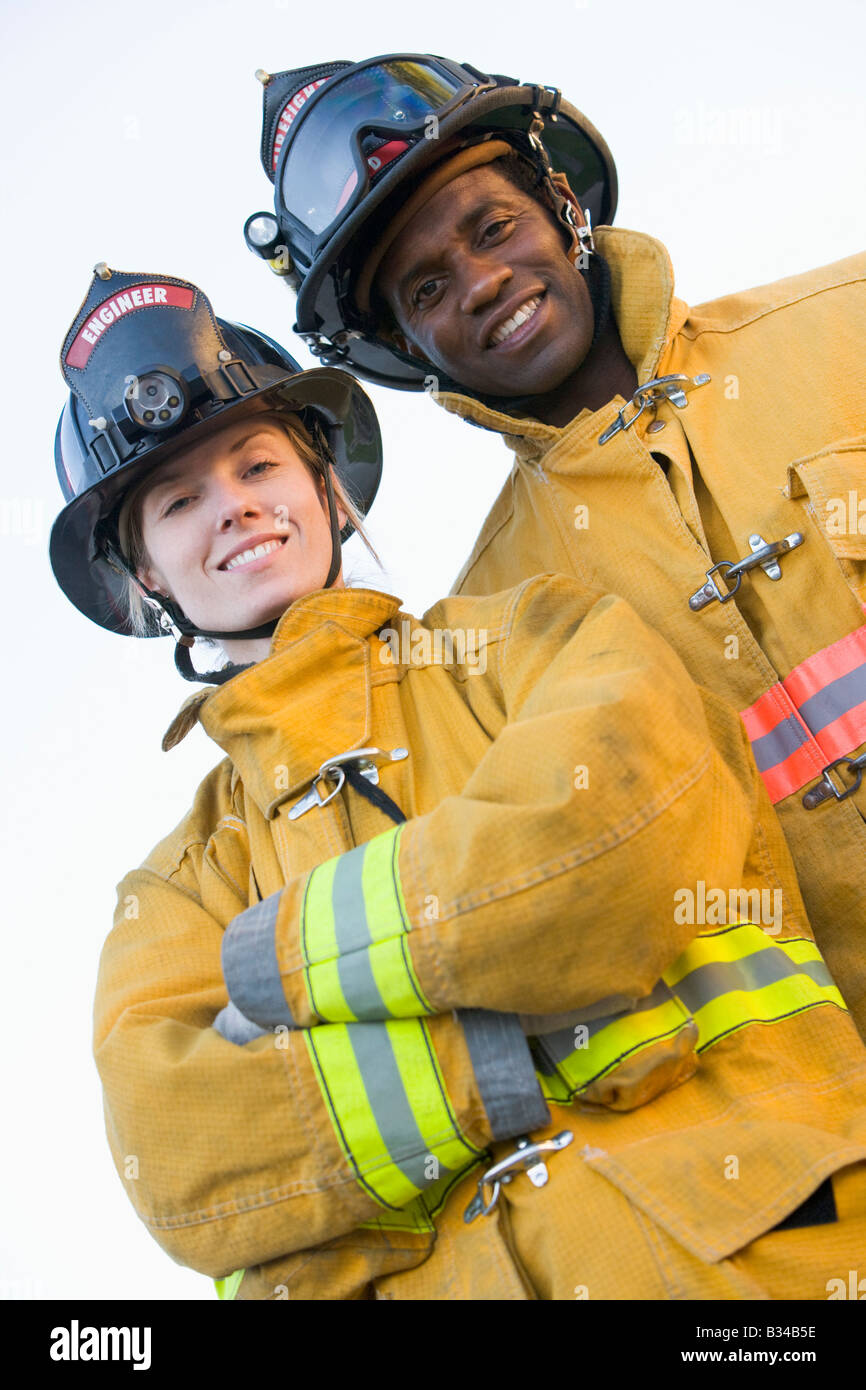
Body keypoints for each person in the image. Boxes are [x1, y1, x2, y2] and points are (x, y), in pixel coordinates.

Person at [51, 263, 866, 1301]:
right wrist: (512, 1044)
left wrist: (272, 967)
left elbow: (609, 847)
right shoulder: (174, 889)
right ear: (151, 576)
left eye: (258, 466)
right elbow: (180, 1160)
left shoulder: (536, 634)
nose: (236, 509)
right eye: (178, 500)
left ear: (325, 486)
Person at [245, 53, 866, 1041]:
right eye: (427, 288)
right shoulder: (486, 632)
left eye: (494, 227)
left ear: (562, 202)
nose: (486, 282)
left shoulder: (845, 327)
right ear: (406, 348)